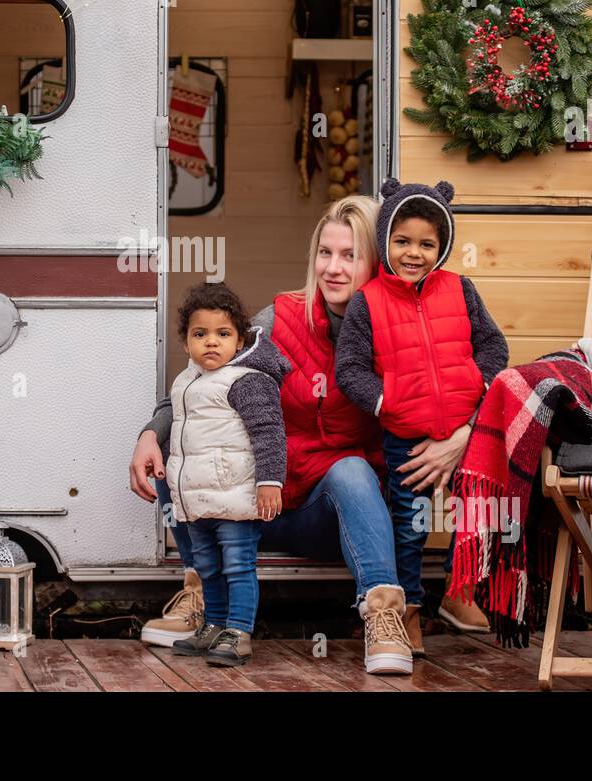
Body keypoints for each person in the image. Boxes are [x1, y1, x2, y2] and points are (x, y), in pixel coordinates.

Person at [132, 196, 423, 675]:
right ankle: (201, 595)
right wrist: (149, 434)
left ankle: (384, 616)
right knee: (174, 448)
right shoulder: (280, 318)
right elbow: (204, 384)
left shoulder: (396, 328)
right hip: (255, 503)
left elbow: (443, 394)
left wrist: (455, 438)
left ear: (376, 261)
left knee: (349, 469)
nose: (333, 268)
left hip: (329, 515)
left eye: (350, 255)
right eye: (324, 254)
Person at [336, 179, 509, 640]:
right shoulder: (367, 302)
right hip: (405, 436)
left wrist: (480, 385)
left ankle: (460, 592)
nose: (414, 253)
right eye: (403, 241)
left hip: (464, 430)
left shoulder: (461, 289)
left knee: (475, 510)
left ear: (443, 246)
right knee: (410, 524)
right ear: (385, 242)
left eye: (427, 244)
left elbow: (494, 346)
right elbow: (349, 368)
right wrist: (386, 402)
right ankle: (409, 607)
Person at [163, 282, 289, 667]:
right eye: (200, 334)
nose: (211, 343)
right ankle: (214, 624)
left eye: (223, 334)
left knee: (237, 565)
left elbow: (269, 431)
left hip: (236, 496)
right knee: (207, 566)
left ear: (240, 340)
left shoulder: (246, 380)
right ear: (185, 343)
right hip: (198, 498)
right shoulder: (186, 381)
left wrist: (270, 481)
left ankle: (239, 630)